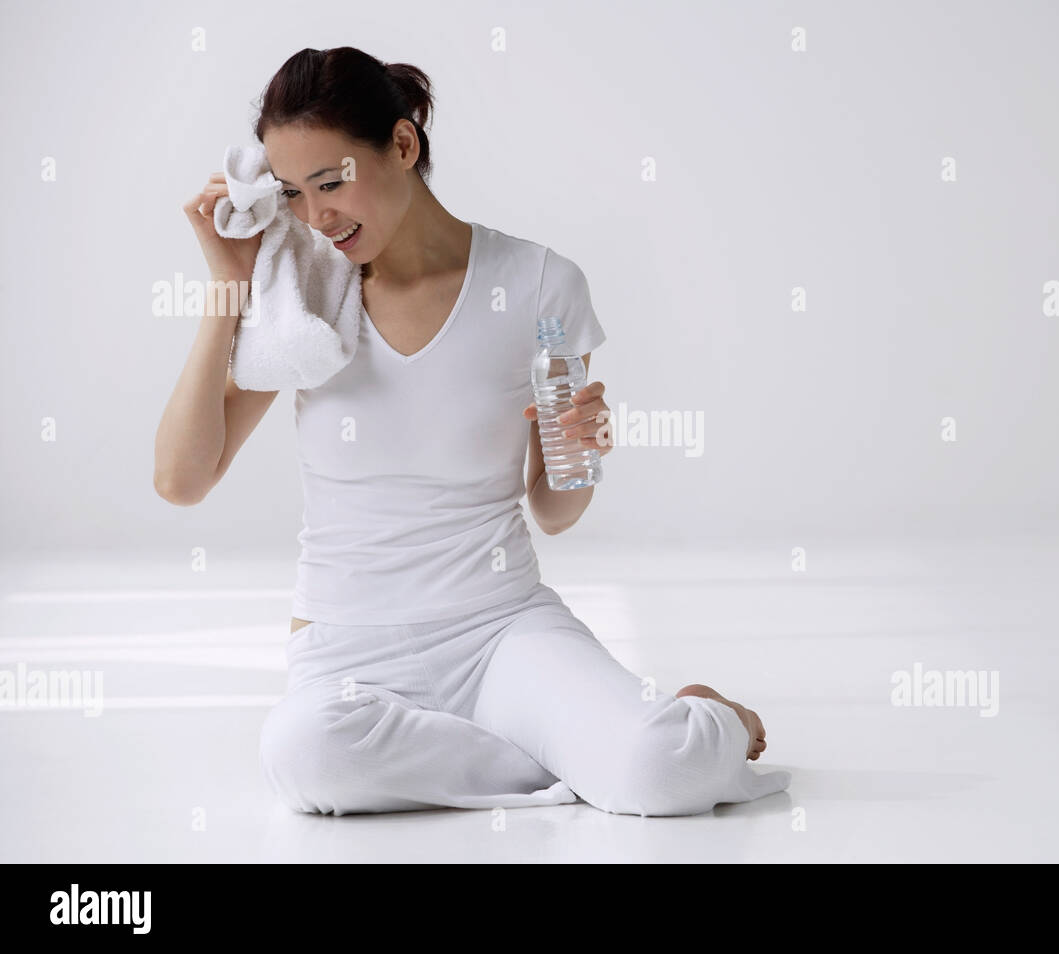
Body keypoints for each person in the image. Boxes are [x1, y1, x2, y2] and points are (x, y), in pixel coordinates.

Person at [155, 46, 791, 816]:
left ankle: (696, 722)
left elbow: (552, 511)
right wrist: (229, 285)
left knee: (665, 772)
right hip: (349, 649)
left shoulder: (538, 284)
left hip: (502, 631)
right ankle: (591, 753)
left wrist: (578, 459)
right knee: (304, 755)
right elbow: (181, 479)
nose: (317, 217)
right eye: (292, 192)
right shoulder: (307, 300)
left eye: (333, 181)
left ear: (401, 144)